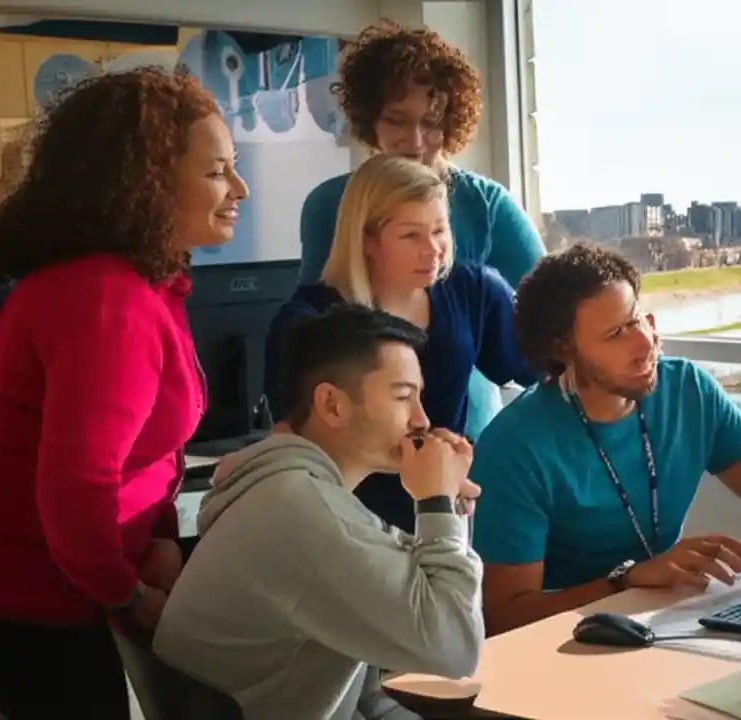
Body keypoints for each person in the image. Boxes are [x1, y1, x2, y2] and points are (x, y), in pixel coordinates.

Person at [0, 68, 248, 719]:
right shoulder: (105, 302)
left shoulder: (138, 285)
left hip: (83, 591)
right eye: (217, 171)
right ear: (149, 182)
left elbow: (147, 454)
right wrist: (127, 595)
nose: (238, 189)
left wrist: (158, 540)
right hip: (46, 611)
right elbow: (77, 487)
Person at [470, 244, 741, 636]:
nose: (644, 344)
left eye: (637, 318)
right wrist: (626, 581)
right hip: (561, 645)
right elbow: (503, 616)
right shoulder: (514, 448)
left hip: (661, 624)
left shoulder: (688, 390)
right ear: (563, 348)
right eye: (616, 334)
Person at [155, 305, 484, 720]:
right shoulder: (305, 516)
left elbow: (368, 696)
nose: (422, 420)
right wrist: (435, 502)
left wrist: (450, 506)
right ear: (332, 405)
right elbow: (455, 649)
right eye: (403, 397)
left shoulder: (299, 495)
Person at [266, 153, 538, 532]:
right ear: (366, 241)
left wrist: (495, 460)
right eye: (411, 235)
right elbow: (292, 442)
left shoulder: (473, 290)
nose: (433, 249)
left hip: (445, 512)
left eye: (439, 230)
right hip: (342, 523)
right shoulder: (306, 324)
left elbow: (546, 373)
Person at [302, 20, 545, 440]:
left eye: (431, 123)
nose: (415, 141)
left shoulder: (486, 205)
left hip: (466, 440)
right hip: (359, 442)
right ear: (370, 120)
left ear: (451, 122)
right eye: (397, 121)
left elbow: (553, 312)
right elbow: (310, 334)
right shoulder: (328, 205)